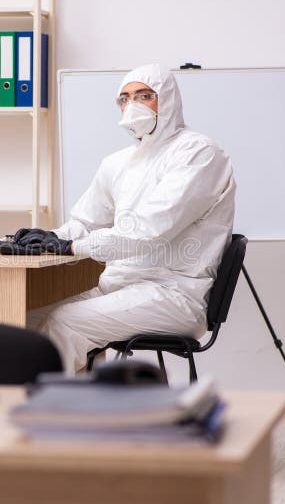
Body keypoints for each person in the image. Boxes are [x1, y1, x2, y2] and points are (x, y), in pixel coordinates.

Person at [19, 63, 236, 373]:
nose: (132, 105)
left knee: (64, 323)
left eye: (144, 96)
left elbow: (148, 232)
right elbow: (86, 221)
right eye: (125, 98)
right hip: (118, 288)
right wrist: (50, 237)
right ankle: (48, 398)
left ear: (168, 99)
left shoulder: (199, 153)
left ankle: (45, 402)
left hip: (173, 295)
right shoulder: (118, 163)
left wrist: (71, 246)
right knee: (22, 322)